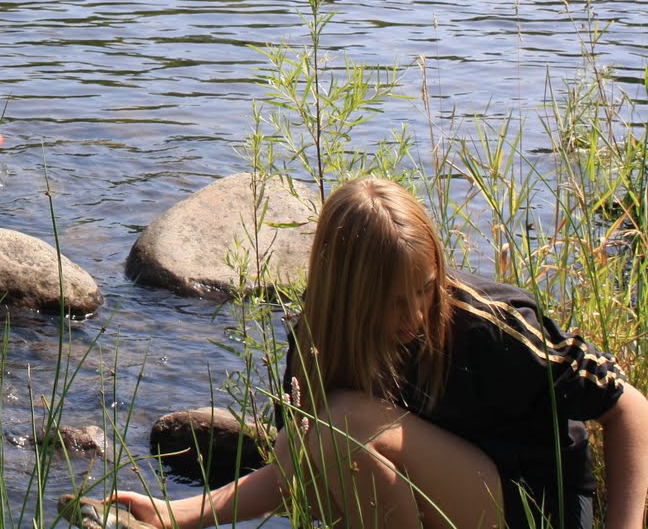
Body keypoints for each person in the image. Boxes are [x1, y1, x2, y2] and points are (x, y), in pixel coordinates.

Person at [85, 177, 648, 529]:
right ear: (348, 294)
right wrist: (174, 516)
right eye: (392, 302)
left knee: (342, 423)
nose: (415, 315)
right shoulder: (318, 337)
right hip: (448, 497)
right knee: (321, 456)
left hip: (533, 507)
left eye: (425, 288)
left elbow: (630, 409)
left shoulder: (489, 322)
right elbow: (292, 468)